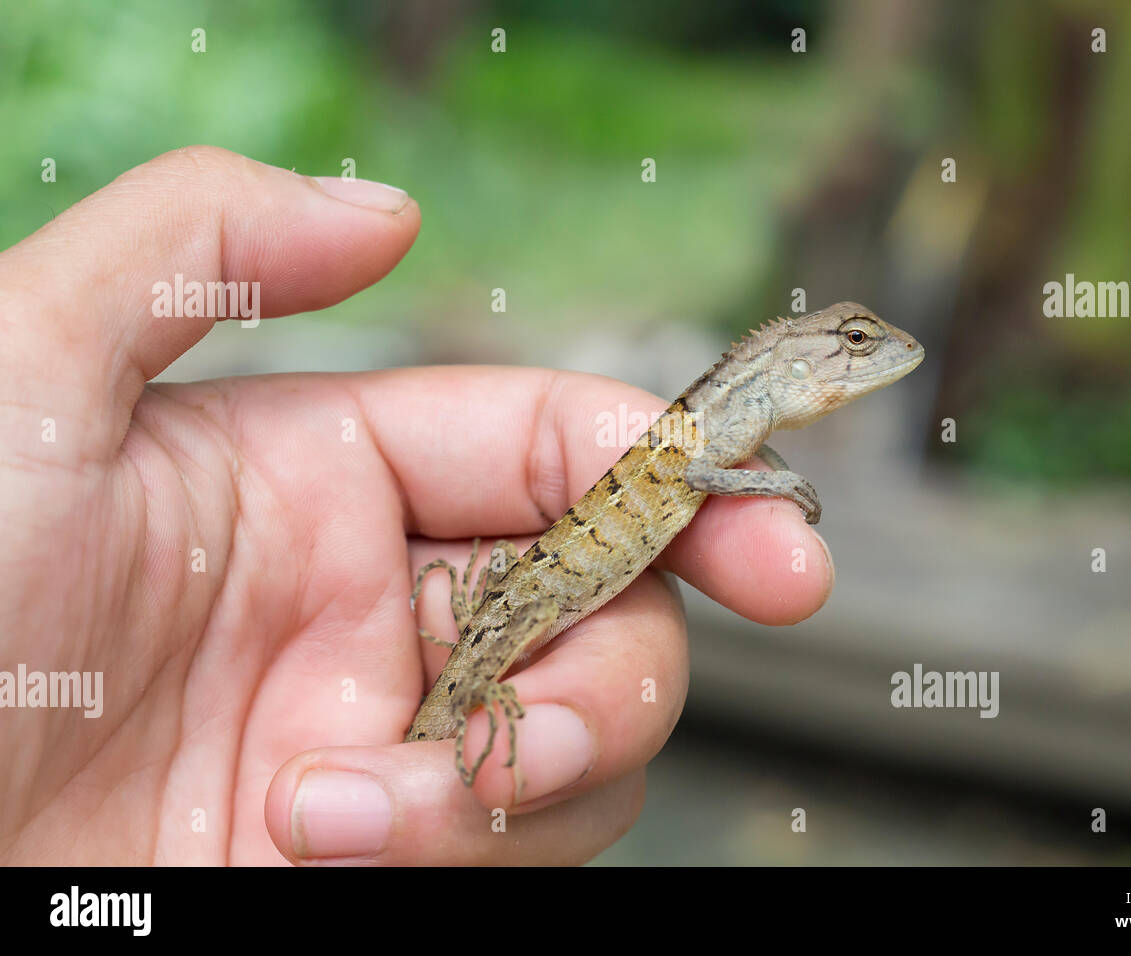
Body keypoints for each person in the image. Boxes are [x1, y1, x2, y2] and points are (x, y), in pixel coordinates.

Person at [0, 147, 836, 865]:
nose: (858, 358)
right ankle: (480, 691)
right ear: (787, 363)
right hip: (533, 601)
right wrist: (774, 484)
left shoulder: (707, 424)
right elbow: (699, 478)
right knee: (499, 704)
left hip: (534, 592)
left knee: (516, 723)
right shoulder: (704, 435)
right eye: (851, 346)